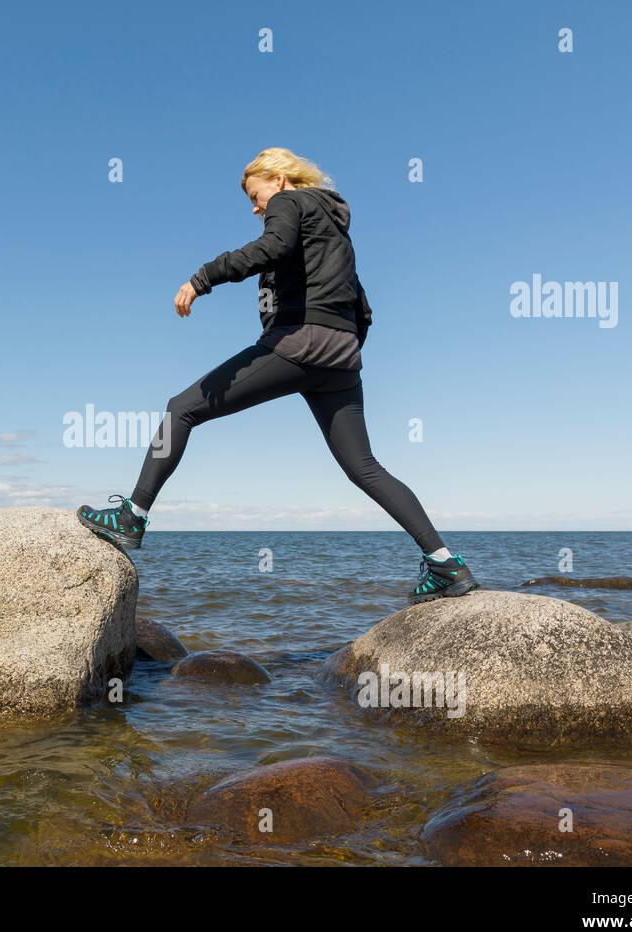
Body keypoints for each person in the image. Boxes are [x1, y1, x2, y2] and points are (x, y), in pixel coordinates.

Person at [76, 147, 479, 604]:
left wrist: (202, 278)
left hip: (301, 345)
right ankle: (446, 564)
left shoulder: (291, 203)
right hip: (341, 358)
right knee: (365, 467)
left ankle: (133, 514)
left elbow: (271, 247)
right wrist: (341, 353)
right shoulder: (335, 230)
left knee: (181, 409)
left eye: (255, 194)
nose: (254, 206)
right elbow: (362, 308)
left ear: (279, 179)